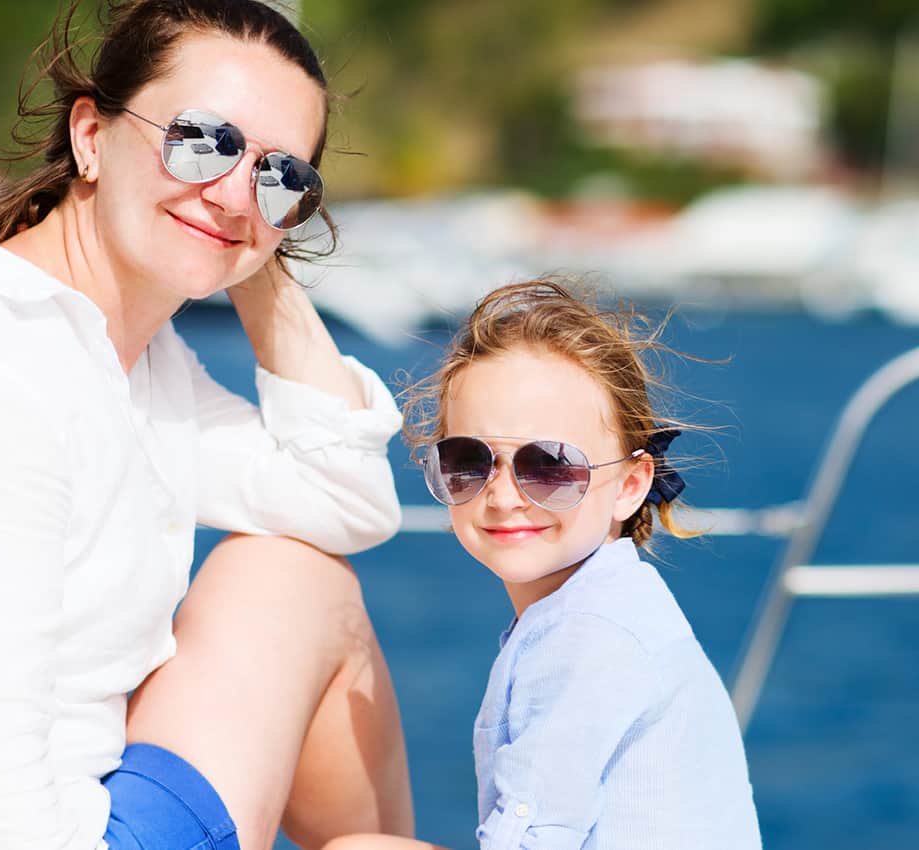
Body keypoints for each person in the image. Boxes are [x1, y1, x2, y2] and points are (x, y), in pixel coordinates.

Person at [0, 2, 415, 849]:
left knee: (297, 577)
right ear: (91, 137)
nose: (230, 189)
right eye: (202, 141)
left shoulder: (127, 352)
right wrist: (235, 220)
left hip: (73, 811)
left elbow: (346, 497)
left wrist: (247, 241)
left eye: (282, 175)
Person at [324, 281, 762, 850]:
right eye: (468, 460)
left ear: (630, 485)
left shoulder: (588, 634)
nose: (504, 497)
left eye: (551, 466)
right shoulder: (608, 605)